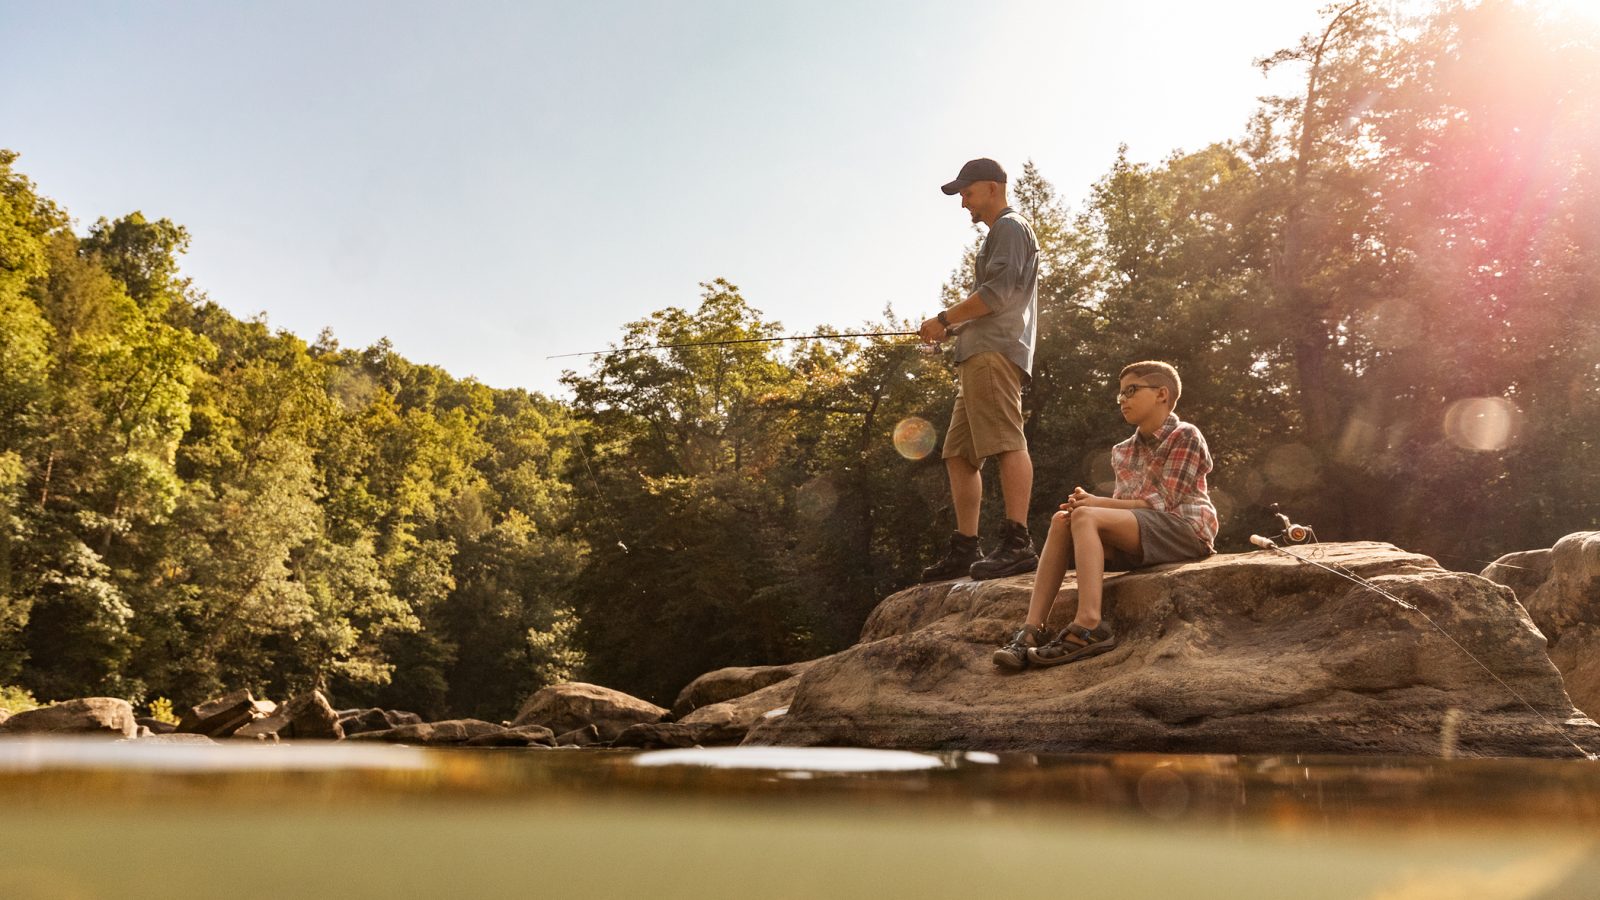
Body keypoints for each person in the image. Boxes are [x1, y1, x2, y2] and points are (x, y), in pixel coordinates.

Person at [993, 360, 1219, 669]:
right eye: (1120, 395)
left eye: (1132, 390)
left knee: (1085, 515)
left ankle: (1089, 625)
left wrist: (1093, 503)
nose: (1122, 400)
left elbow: (1162, 503)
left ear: (1162, 394)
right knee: (1063, 520)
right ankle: (1031, 630)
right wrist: (1090, 506)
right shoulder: (1122, 451)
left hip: (1185, 531)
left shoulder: (1185, 435)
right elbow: (1128, 507)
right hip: (1145, 538)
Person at [918, 158, 1040, 583]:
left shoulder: (1010, 226)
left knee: (1007, 442)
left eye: (967, 193)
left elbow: (997, 293)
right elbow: (993, 302)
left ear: (992, 187)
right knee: (958, 453)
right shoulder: (1000, 234)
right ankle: (966, 548)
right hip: (977, 351)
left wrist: (946, 319)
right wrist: (956, 328)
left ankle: (1018, 543)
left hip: (994, 353)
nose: (964, 203)